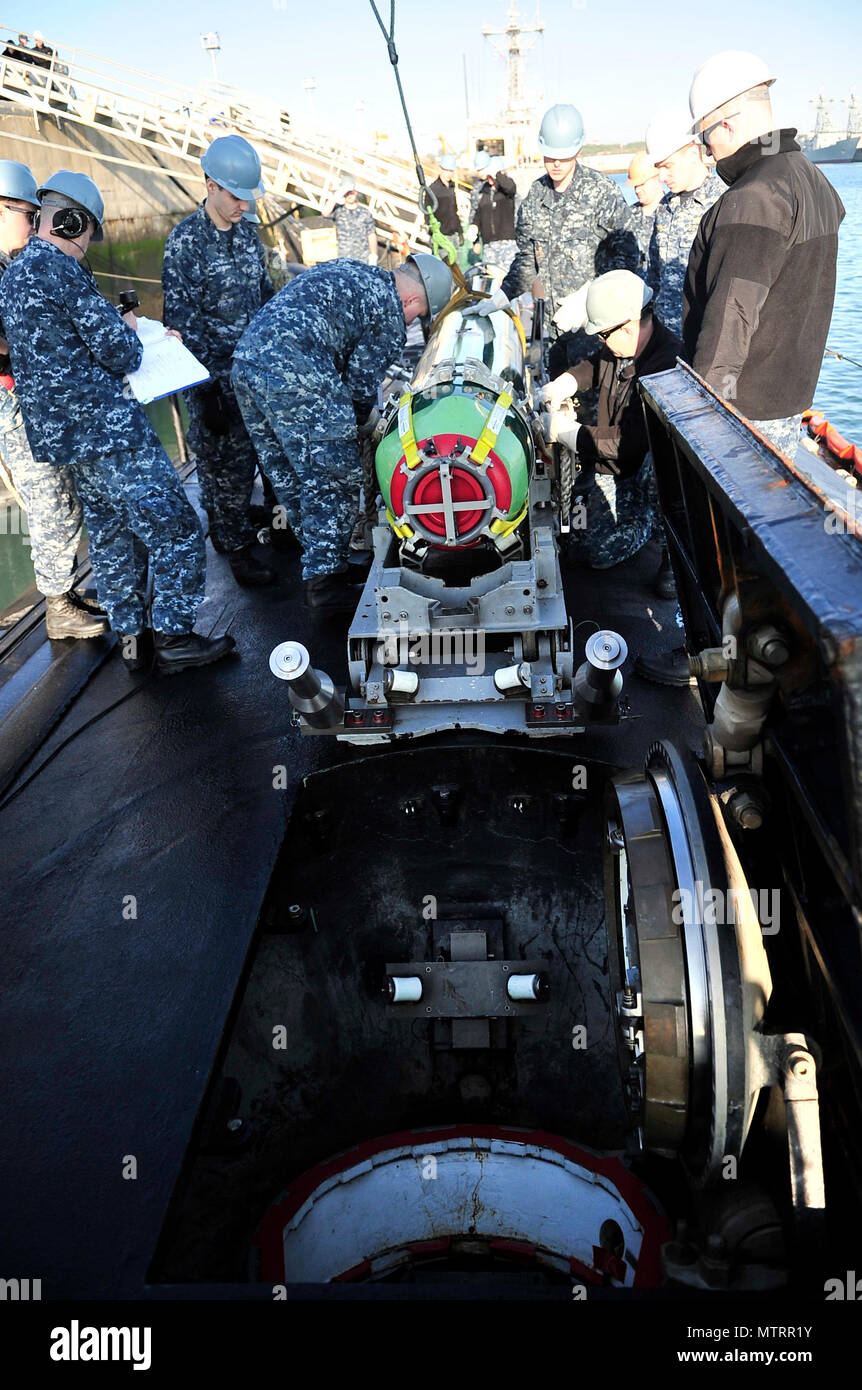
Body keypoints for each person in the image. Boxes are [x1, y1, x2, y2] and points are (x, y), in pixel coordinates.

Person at [637, 49, 846, 688]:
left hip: (741, 423)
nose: (707, 157)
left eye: (705, 142)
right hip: (788, 406)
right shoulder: (815, 183)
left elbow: (728, 334)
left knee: (722, 562)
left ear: (725, 127)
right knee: (761, 566)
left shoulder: (753, 200)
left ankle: (711, 659)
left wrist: (700, 439)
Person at [0, 170, 235, 675]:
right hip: (106, 430)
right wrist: (130, 327)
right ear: (69, 222)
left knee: (109, 533)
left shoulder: (15, 274)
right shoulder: (61, 270)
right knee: (175, 526)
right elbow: (121, 352)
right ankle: (174, 636)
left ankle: (132, 638)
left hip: (63, 439)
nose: (86, 246)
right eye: (86, 234)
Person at [231, 253, 454, 613]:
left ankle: (325, 565)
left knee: (292, 476)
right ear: (412, 299)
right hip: (297, 370)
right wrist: (369, 425)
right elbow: (361, 385)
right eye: (419, 314)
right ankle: (326, 584)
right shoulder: (389, 309)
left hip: (247, 364)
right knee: (334, 475)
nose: (413, 321)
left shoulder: (352, 269)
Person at [162, 134, 277, 588]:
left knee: (266, 456)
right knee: (225, 470)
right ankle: (236, 549)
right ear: (209, 185)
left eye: (248, 198)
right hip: (214, 380)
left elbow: (265, 297)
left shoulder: (249, 235)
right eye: (235, 196)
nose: (243, 207)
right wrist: (207, 390)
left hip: (254, 374)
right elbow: (181, 322)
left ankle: (273, 523)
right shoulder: (185, 243)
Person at [0, 160, 105, 639]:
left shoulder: (15, 264)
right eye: (28, 212)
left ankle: (65, 590)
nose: (36, 222)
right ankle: (59, 607)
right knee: (47, 496)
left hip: (35, 396)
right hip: (12, 401)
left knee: (66, 492)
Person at [540, 270, 682, 569]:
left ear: (627, 326)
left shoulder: (665, 369)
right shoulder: (623, 347)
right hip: (611, 467)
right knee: (569, 533)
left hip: (639, 479)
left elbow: (627, 444)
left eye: (604, 334)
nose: (602, 342)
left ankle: (653, 527)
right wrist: (567, 381)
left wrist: (567, 432)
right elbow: (595, 365)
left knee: (596, 552)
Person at [500, 105, 640, 375]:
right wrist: (502, 295)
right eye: (550, 156)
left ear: (577, 151)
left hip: (596, 331)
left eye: (563, 158)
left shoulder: (602, 192)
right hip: (554, 332)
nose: (555, 164)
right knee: (557, 403)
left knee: (593, 409)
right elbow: (528, 257)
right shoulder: (536, 196)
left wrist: (591, 292)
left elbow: (627, 256)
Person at [644, 108, 724, 338]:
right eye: (658, 168)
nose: (661, 177)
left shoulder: (721, 203)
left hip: (700, 338)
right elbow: (654, 277)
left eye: (668, 166)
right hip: (663, 339)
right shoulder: (665, 207)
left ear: (691, 154)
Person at [471, 157, 518, 274]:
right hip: (489, 245)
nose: (490, 179)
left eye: (492, 176)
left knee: (508, 278)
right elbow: (479, 213)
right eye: (489, 177)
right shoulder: (485, 192)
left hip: (507, 244)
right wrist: (474, 228)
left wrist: (497, 174)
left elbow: (511, 187)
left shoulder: (507, 192)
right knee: (492, 279)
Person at [321, 182, 378, 265]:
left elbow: (371, 234)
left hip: (362, 258)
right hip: (343, 258)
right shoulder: (339, 211)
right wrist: (338, 193)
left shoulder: (365, 213)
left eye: (352, 193)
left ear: (356, 193)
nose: (350, 196)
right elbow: (325, 212)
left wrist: (373, 255)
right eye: (347, 193)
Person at [625, 150, 663, 265]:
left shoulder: (674, 212)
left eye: (642, 184)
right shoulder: (627, 216)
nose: (637, 190)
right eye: (635, 186)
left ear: (658, 178)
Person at [428, 155, 463, 248]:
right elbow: (428, 215)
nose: (448, 173)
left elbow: (454, 212)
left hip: (453, 236)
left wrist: (460, 231)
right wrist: (435, 235)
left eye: (451, 171)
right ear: (440, 169)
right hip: (440, 237)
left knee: (454, 262)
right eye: (446, 170)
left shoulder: (451, 187)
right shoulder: (432, 189)